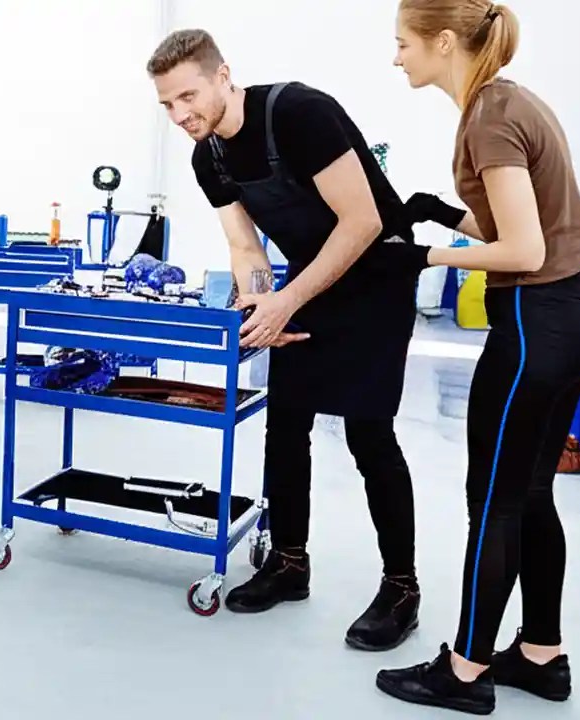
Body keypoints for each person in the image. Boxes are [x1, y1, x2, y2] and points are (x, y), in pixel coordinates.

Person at [146, 30, 425, 650]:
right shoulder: (208, 158)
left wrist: (287, 299)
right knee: (286, 422)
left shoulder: (299, 114)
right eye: (166, 105)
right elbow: (245, 245)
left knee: (369, 433)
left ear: (224, 76)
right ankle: (290, 563)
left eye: (188, 95)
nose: (180, 115)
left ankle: (401, 588)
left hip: (378, 278)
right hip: (306, 284)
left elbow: (364, 221)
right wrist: (257, 299)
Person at [376, 1, 580, 714]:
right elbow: (515, 226)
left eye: (403, 43)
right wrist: (442, 212)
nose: (397, 57)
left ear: (444, 41)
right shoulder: (510, 103)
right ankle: (541, 654)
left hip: (532, 329)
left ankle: (465, 672)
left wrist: (420, 255)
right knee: (532, 493)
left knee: (494, 502)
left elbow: (522, 252)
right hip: (571, 323)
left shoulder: (489, 116)